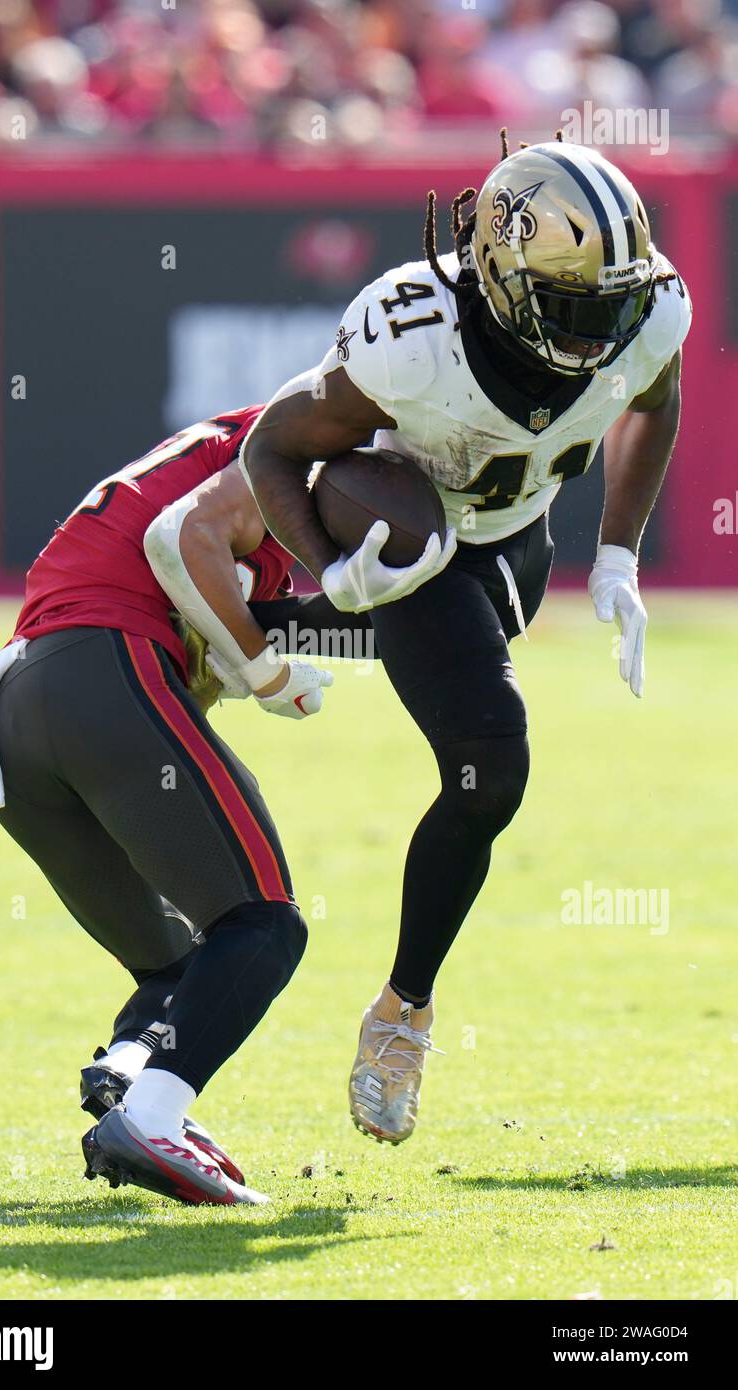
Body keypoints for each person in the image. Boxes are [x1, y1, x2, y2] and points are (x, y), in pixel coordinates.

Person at [243, 130, 692, 1145]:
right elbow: (271, 446)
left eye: (612, 309)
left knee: (478, 742)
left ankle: (256, 630)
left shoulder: (647, 309)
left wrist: (615, 554)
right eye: (574, 309)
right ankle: (401, 1015)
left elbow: (654, 404)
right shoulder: (415, 333)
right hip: (414, 540)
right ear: (497, 274)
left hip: (511, 540)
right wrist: (331, 568)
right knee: (491, 759)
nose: (599, 336)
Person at [0, 405, 365, 1204]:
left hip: (14, 708)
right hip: (103, 671)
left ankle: (130, 1073)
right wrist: (264, 671)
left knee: (181, 967)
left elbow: (201, 589)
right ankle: (153, 1121)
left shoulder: (226, 456)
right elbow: (180, 542)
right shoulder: (292, 451)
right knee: (263, 923)